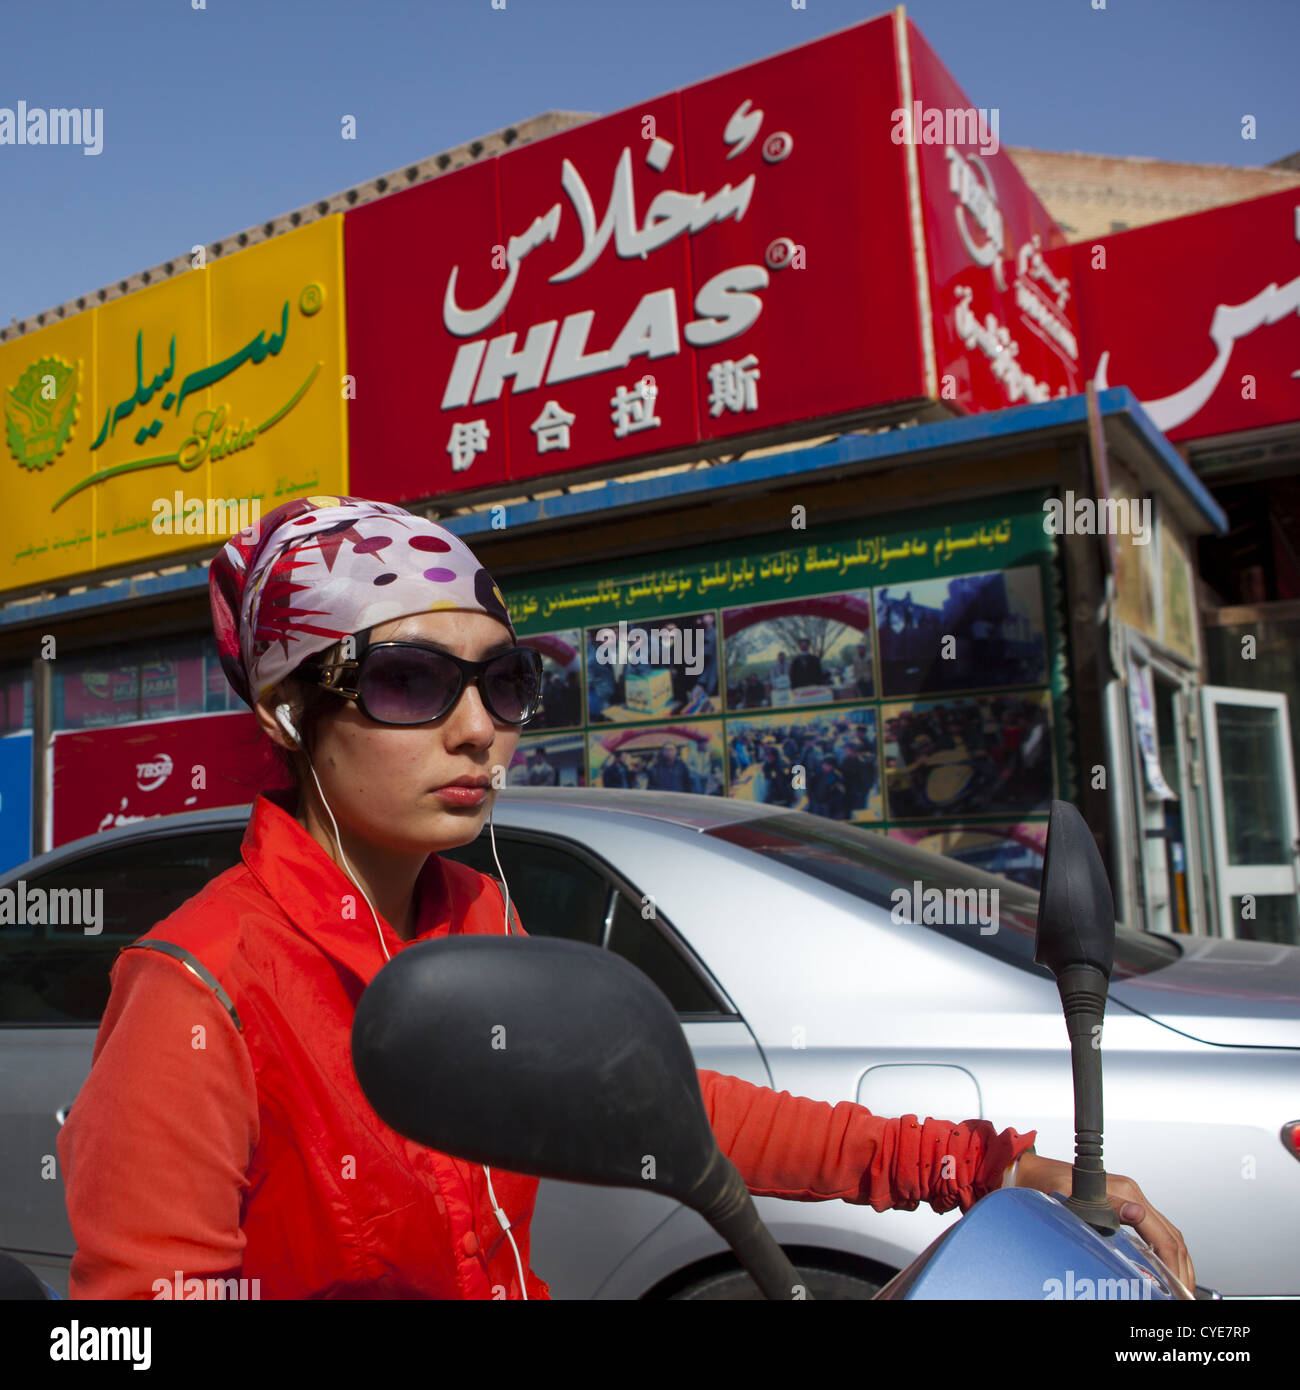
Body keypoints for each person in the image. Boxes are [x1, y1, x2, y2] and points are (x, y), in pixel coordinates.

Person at [57, 496, 1195, 1300]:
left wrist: (980, 1166)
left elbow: (671, 1111)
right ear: (287, 713)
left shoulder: (474, 921)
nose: (476, 729)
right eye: (408, 680)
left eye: (502, 682)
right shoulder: (197, 987)